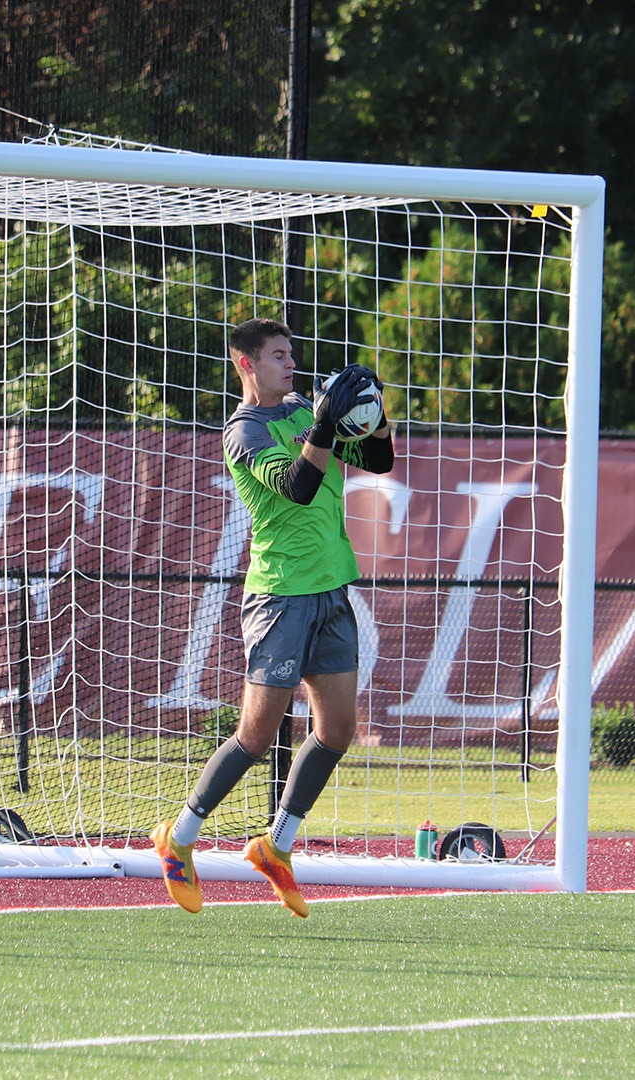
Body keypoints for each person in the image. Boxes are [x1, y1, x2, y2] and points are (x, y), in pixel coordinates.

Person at [149, 317, 394, 917]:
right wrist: (325, 422)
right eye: (279, 355)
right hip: (279, 598)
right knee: (257, 736)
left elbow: (381, 459)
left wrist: (373, 409)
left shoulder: (309, 412)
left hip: (333, 591)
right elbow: (299, 486)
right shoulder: (244, 433)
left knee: (337, 730)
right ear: (246, 365)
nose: (291, 363)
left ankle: (276, 846)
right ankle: (178, 838)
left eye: (292, 352)